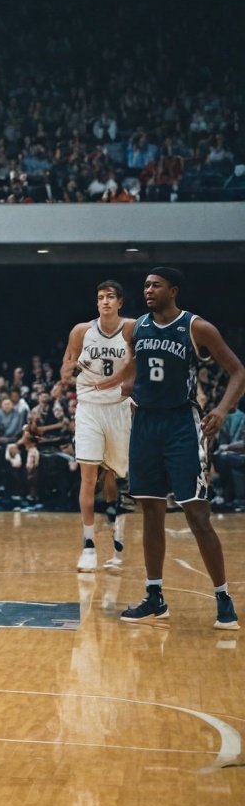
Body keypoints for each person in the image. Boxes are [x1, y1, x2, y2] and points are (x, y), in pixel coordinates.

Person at [105, 269, 243, 629]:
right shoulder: (136, 328)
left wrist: (222, 409)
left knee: (197, 515)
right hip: (145, 425)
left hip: (182, 424)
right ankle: (155, 596)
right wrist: (125, 387)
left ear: (173, 291)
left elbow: (238, 372)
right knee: (150, 513)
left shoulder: (197, 327)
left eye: (156, 286)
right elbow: (137, 367)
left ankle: (223, 596)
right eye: (146, 285)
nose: (148, 290)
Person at [62, 281, 131, 572]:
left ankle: (118, 546)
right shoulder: (81, 331)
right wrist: (74, 369)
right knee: (88, 477)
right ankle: (88, 546)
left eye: (110, 297)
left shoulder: (132, 329)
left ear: (120, 302)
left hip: (120, 408)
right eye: (100, 297)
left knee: (120, 478)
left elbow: (138, 364)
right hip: (89, 408)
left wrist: (116, 381)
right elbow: (66, 369)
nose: (104, 302)